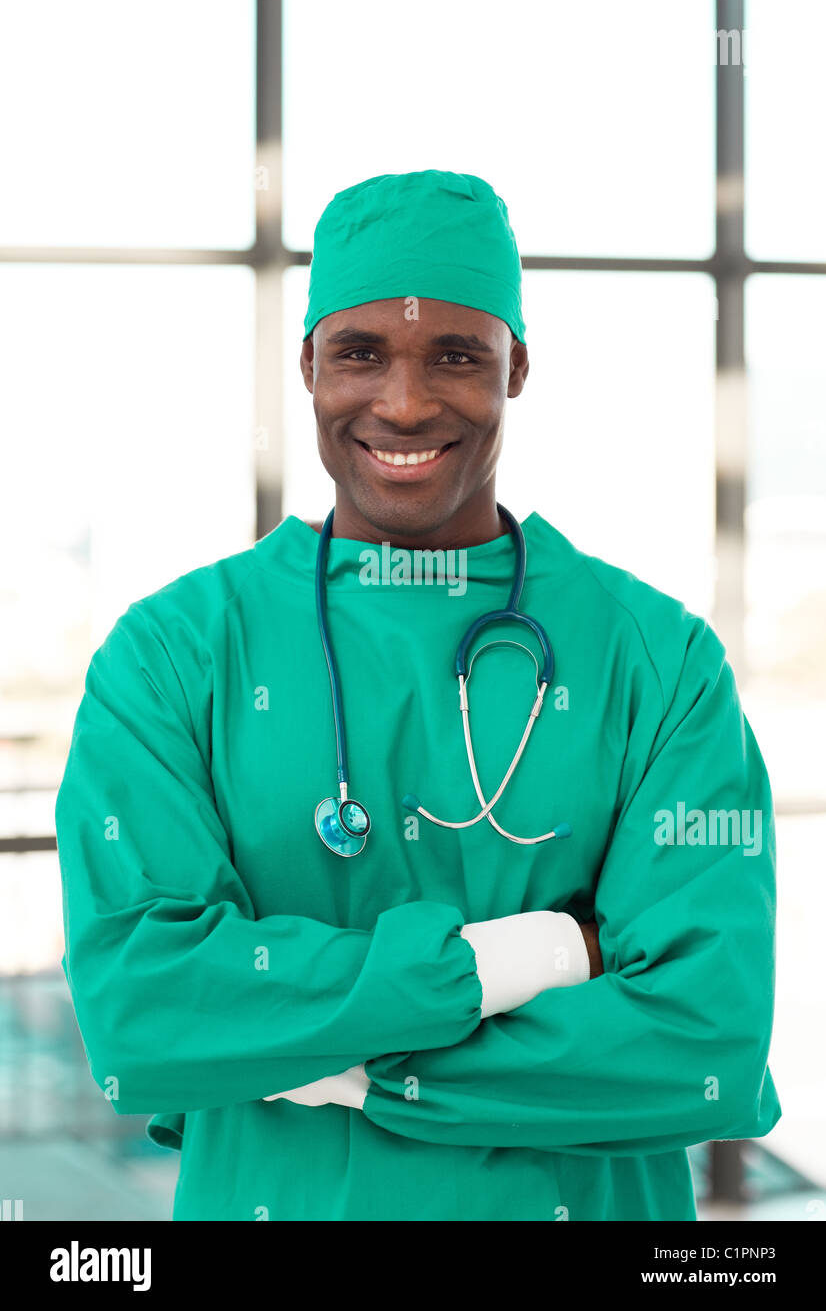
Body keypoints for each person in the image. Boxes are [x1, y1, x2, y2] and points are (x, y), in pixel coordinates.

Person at [55, 169, 781, 1222]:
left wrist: (339, 1067)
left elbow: (701, 1038)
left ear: (516, 368)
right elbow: (144, 1013)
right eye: (359, 353)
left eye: (456, 356)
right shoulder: (173, 654)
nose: (403, 403)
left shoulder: (657, 661)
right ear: (307, 364)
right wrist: (530, 956)